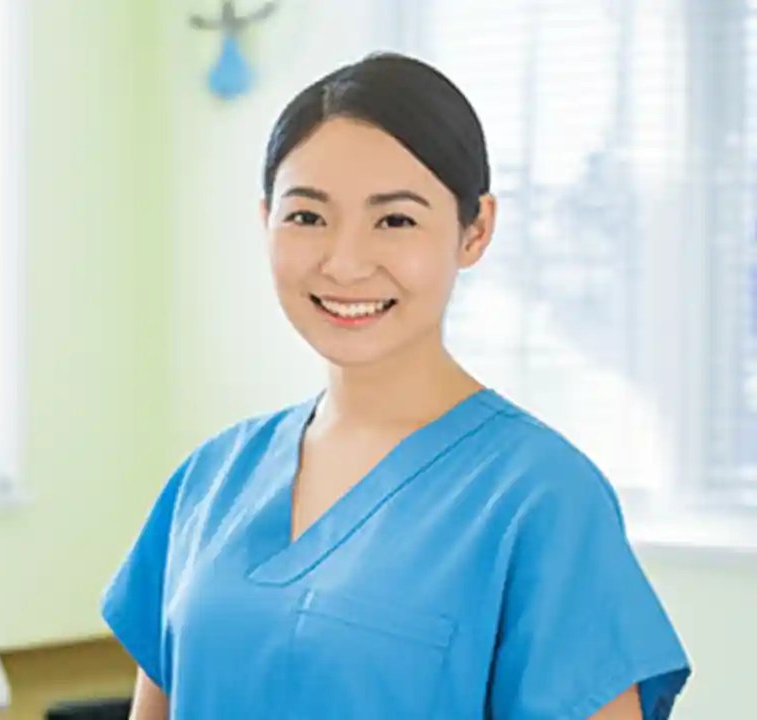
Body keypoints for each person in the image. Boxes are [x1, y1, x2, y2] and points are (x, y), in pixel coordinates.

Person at [100, 52, 691, 719]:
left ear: (476, 231)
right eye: (307, 217)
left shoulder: (542, 500)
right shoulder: (211, 481)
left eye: (396, 220)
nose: (345, 262)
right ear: (264, 219)